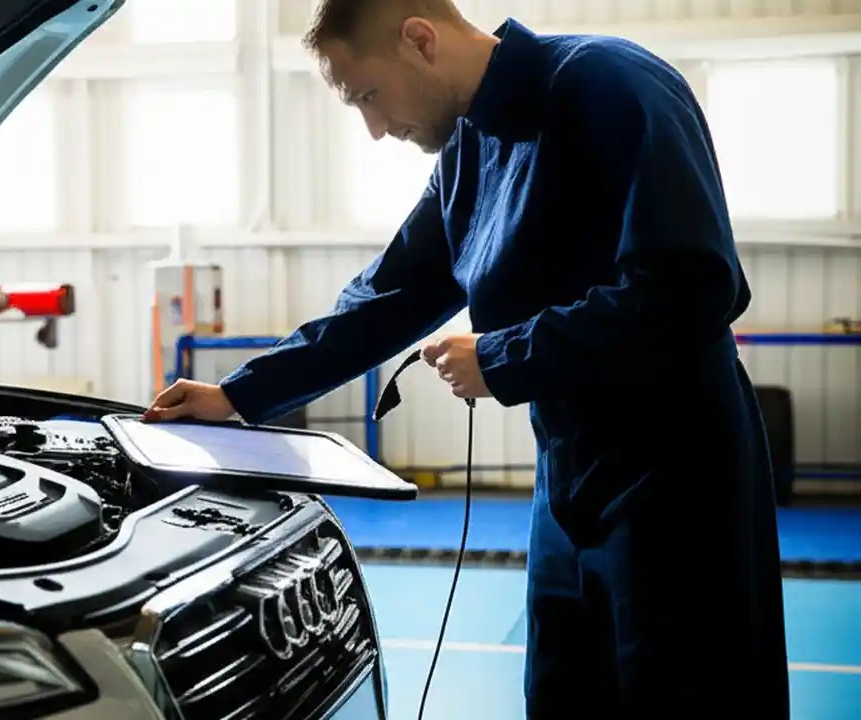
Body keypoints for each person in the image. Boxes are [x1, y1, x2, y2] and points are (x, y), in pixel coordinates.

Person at [144, 1, 791, 717]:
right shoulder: (469, 154)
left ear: (419, 40)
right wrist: (238, 395)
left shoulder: (612, 86)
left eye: (368, 96)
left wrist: (504, 356)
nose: (377, 128)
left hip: (678, 482)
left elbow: (691, 286)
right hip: (569, 484)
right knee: (562, 696)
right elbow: (388, 295)